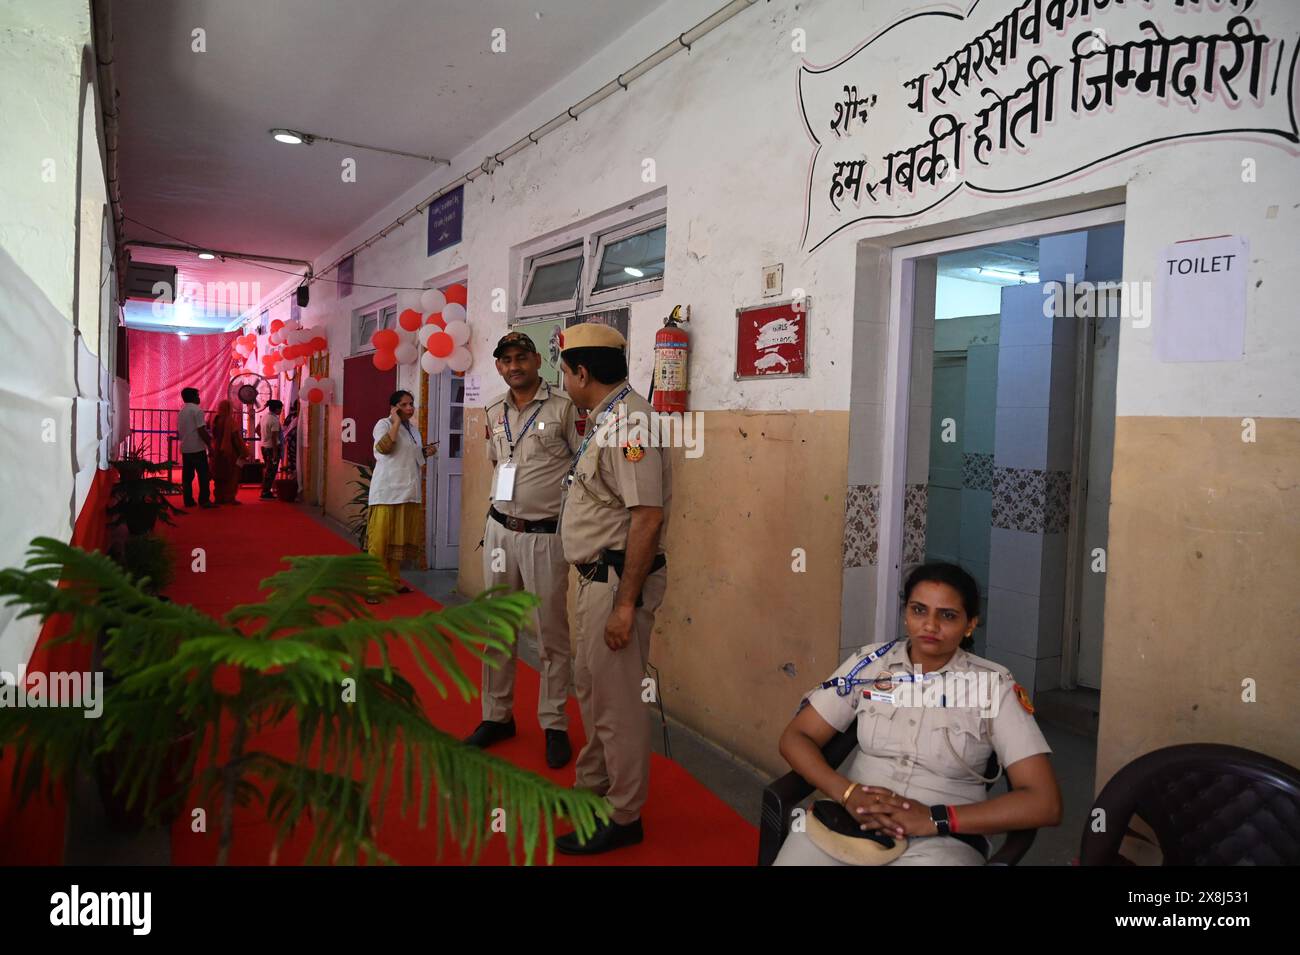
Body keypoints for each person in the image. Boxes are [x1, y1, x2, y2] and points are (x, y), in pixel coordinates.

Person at [773, 562, 1062, 866]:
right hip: (850, 822)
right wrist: (846, 793)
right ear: (905, 614)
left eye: (947, 615)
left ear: (970, 625)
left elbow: (1044, 802)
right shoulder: (871, 665)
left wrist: (936, 818)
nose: (930, 625)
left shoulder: (993, 686)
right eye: (919, 610)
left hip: (942, 841)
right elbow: (795, 737)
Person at [552, 322, 670, 855]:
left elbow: (647, 517)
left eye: (565, 371)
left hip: (615, 583)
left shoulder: (631, 423)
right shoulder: (606, 418)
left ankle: (625, 815)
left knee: (618, 704)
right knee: (592, 690)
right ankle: (592, 789)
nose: (565, 380)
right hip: (593, 580)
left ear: (581, 372)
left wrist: (625, 606)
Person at [465, 332, 580, 770]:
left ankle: (553, 722)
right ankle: (497, 716)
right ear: (498, 366)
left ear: (536, 360)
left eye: (522, 358)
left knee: (551, 632)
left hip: (545, 536)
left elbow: (581, 466)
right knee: (497, 627)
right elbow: (499, 463)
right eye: (506, 360)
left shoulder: (564, 407)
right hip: (499, 531)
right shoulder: (494, 411)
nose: (514, 366)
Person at [365, 390, 437, 604]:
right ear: (394, 407)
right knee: (379, 542)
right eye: (404, 405)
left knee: (398, 541)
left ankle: (393, 581)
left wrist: (425, 452)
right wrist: (395, 422)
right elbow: (384, 449)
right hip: (386, 492)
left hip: (407, 491)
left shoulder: (414, 430)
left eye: (411, 404)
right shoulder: (383, 425)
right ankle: (374, 587)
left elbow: (410, 457)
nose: (409, 408)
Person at [176, 387, 215, 509]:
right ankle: (204, 500)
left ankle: (188, 500)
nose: (199, 398)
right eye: (197, 396)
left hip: (185, 447)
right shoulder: (197, 411)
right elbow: (201, 430)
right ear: (193, 397)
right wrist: (210, 444)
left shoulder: (182, 411)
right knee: (203, 475)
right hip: (197, 447)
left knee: (187, 477)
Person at [209, 399, 247, 505]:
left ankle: (219, 497)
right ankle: (229, 497)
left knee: (219, 475)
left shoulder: (215, 420)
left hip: (217, 451)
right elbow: (235, 437)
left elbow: (214, 435)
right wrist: (242, 451)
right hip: (230, 452)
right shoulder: (230, 421)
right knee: (231, 475)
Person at [258, 399, 284, 500]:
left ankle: (266, 491)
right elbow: (274, 437)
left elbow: (257, 429)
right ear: (277, 409)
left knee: (269, 469)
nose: (281, 410)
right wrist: (275, 453)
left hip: (264, 447)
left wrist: (264, 438)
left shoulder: (264, 417)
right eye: (280, 408)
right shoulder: (274, 420)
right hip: (272, 448)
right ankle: (265, 492)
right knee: (271, 470)